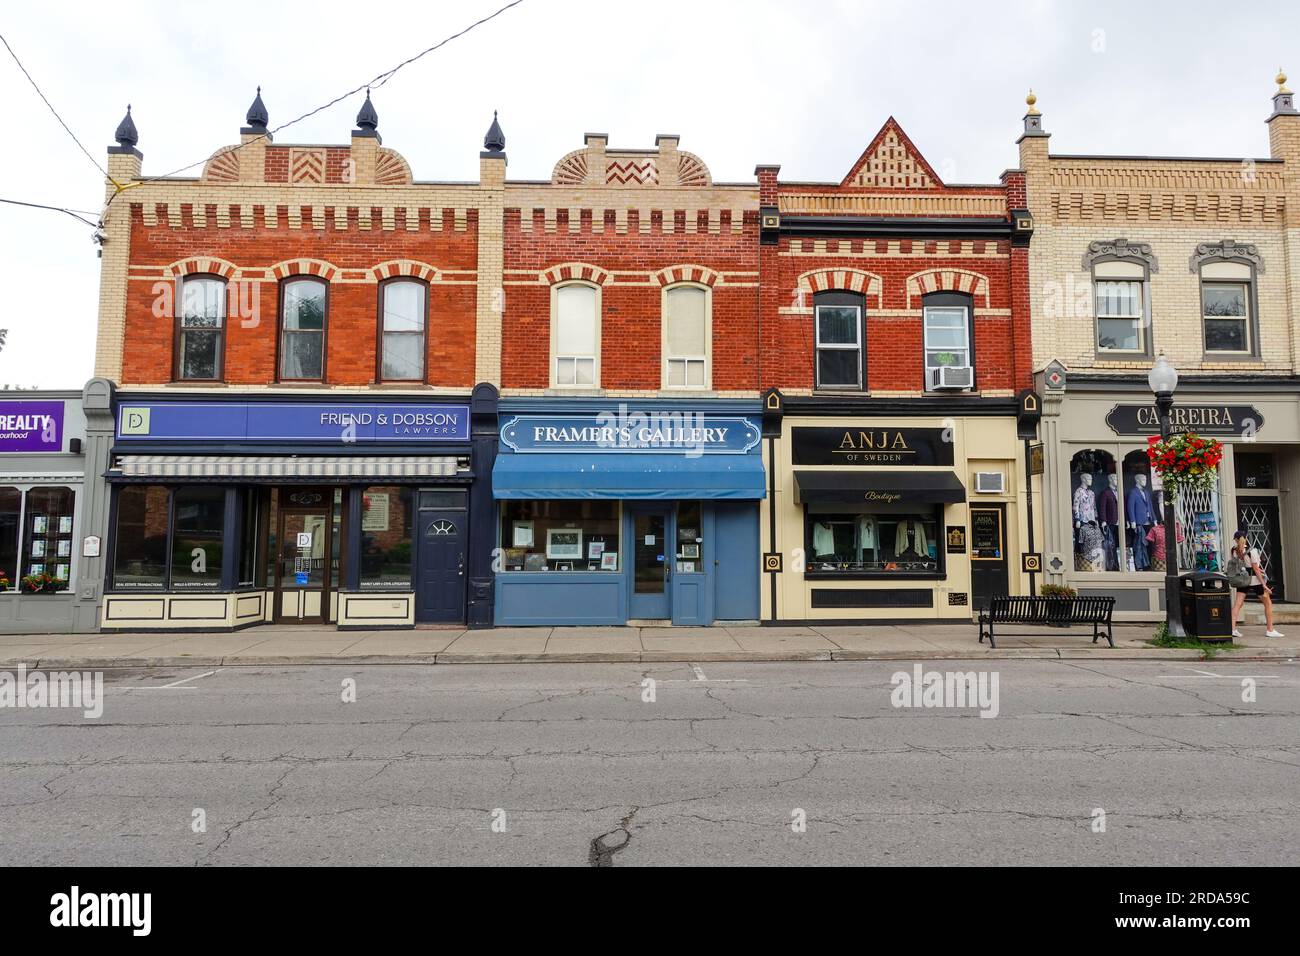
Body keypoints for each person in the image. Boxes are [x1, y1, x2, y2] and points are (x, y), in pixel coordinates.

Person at [1230, 531, 1284, 639]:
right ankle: (1270, 630)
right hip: (1255, 580)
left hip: (1243, 580)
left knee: (1237, 604)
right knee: (1267, 603)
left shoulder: (1234, 551)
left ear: (1235, 539)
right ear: (1245, 538)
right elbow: (1255, 569)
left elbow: (1239, 565)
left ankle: (1232, 629)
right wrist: (1264, 584)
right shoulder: (1252, 551)